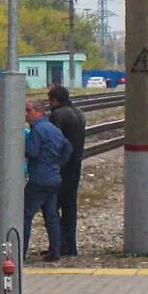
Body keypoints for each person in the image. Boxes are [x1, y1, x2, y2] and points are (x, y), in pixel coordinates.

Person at [23, 100, 72, 261]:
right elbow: (67, 147)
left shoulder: (37, 130)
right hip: (54, 177)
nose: (26, 114)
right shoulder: (54, 129)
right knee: (51, 215)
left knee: (25, 215)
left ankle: (19, 251)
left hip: (38, 178)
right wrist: (59, 164)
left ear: (38, 112)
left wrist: (21, 147)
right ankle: (55, 251)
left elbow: (32, 151)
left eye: (28, 110)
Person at [46, 84, 87, 257]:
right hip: (75, 165)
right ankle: (71, 245)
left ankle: (58, 244)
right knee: (70, 206)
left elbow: (55, 142)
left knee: (53, 206)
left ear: (54, 100)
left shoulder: (57, 115)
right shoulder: (79, 114)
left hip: (61, 167)